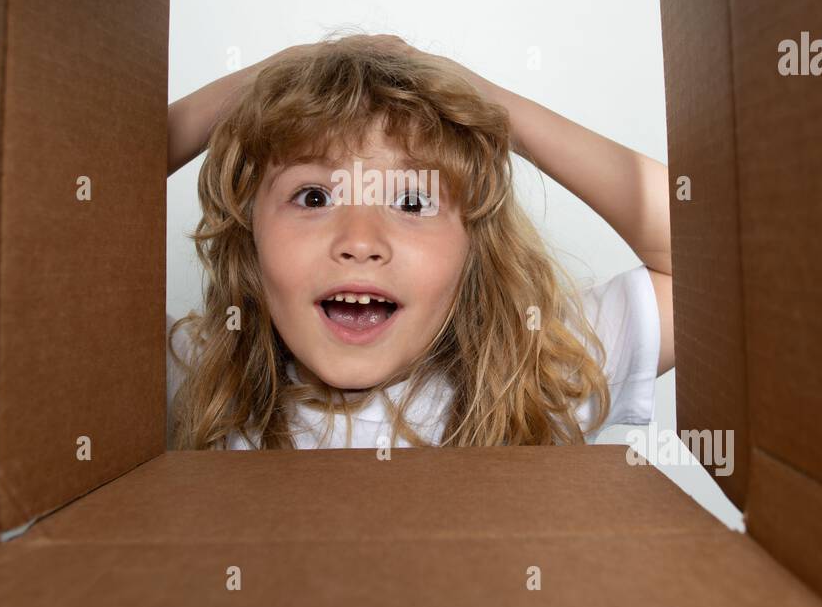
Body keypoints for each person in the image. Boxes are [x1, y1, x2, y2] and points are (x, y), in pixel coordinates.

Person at [165, 32, 674, 450]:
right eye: (315, 197)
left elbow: (720, 255)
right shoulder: (198, 376)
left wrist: (485, 103)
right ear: (248, 230)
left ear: (473, 244)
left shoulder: (540, 376)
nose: (360, 242)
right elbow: (88, 211)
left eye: (412, 203)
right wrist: (260, 82)